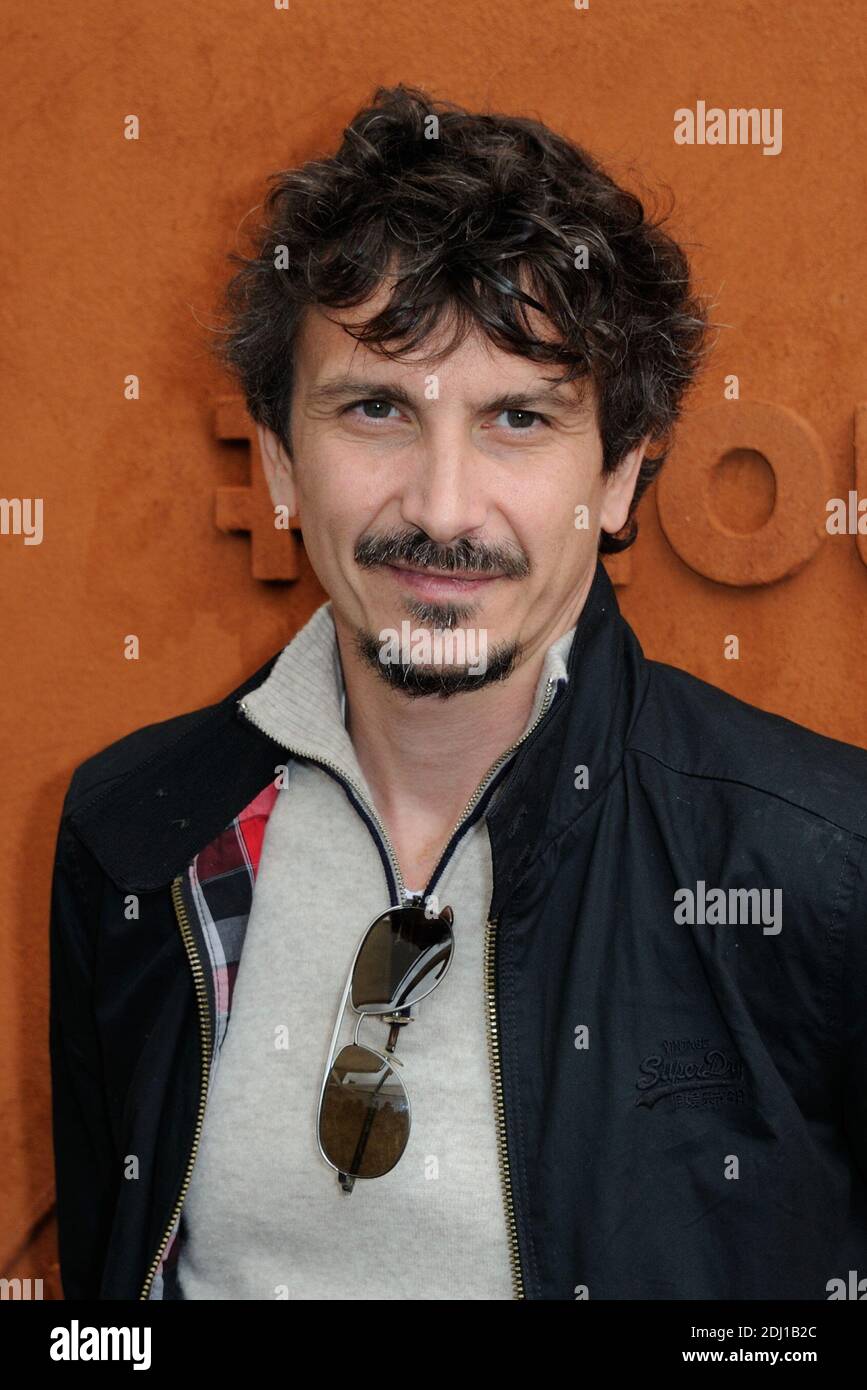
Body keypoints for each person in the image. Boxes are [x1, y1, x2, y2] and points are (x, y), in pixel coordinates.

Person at [49, 82, 867, 1302]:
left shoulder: (819, 858)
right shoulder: (133, 828)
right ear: (279, 458)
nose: (440, 507)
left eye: (519, 418)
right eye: (376, 407)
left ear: (621, 475)